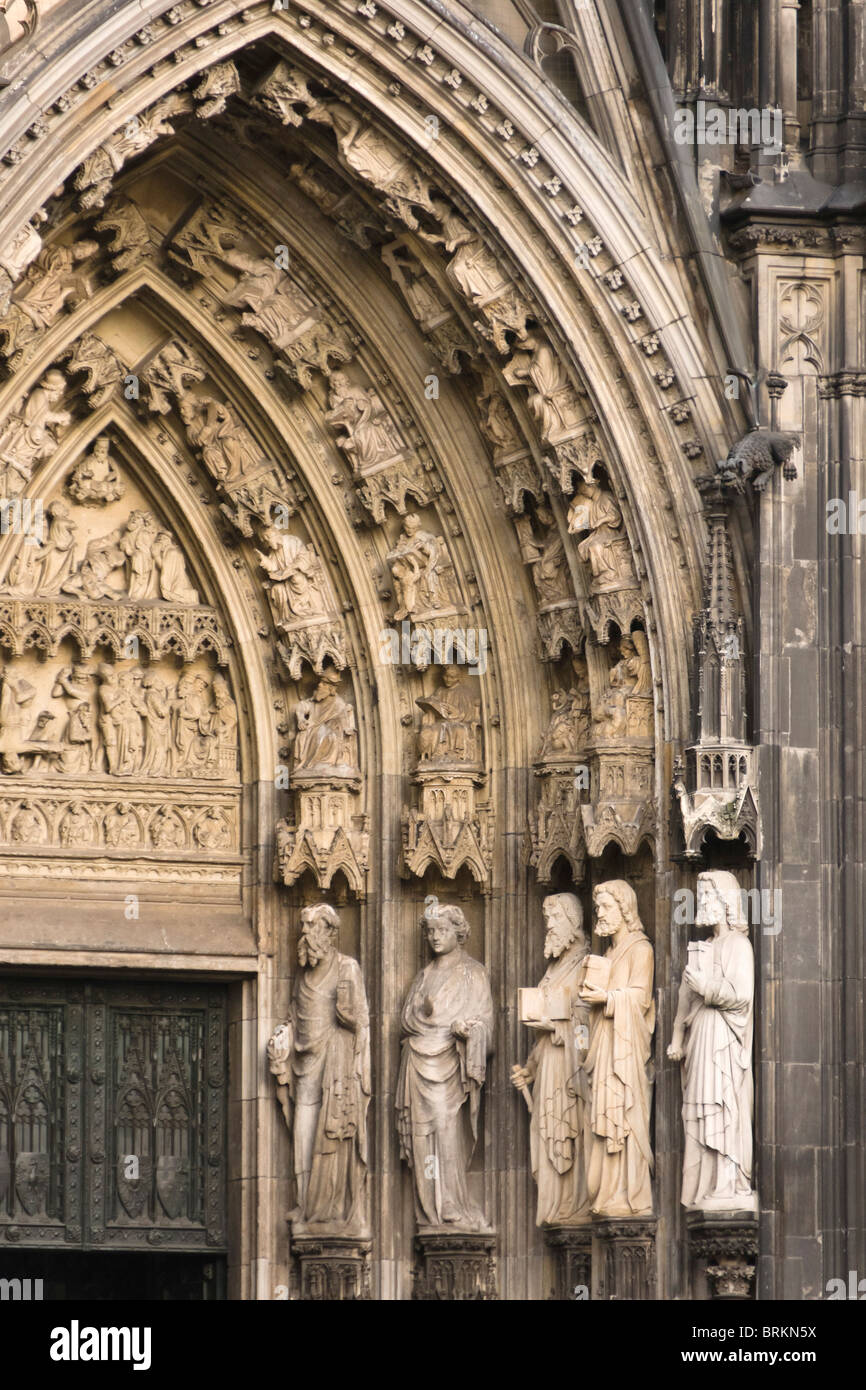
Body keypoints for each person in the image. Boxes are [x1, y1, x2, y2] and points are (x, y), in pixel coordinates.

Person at [268, 903, 370, 1231]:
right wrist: (283, 1037)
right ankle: (306, 1202)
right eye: (304, 929)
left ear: (330, 933)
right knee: (302, 1131)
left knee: (332, 1132)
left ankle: (331, 1207)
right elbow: (294, 1016)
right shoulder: (303, 977)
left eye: (314, 929)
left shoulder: (346, 968)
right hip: (306, 1066)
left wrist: (350, 1020)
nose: (306, 935)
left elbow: (363, 1020)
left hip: (336, 1067)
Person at [396, 900, 493, 1229]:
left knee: (446, 1131)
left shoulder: (473, 974)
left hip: (450, 1064)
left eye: (442, 930)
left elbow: (487, 1027)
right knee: (422, 1138)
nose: (435, 937)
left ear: (459, 932)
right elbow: (406, 1020)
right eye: (430, 931)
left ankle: (451, 1199)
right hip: (417, 1063)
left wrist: (468, 1030)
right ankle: (429, 1208)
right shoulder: (423, 976)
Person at [668, 870, 755, 1211]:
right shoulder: (702, 948)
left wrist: (706, 988)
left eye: (707, 897)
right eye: (700, 897)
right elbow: (683, 1002)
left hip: (723, 1039)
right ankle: (706, 1182)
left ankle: (727, 1180)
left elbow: (742, 996)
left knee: (723, 1106)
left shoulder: (738, 945)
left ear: (725, 902)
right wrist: (677, 1037)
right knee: (702, 1111)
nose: (702, 903)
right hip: (701, 1039)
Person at [511, 893, 591, 1225]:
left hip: (569, 1069)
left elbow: (588, 1026)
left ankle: (572, 1205)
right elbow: (545, 1030)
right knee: (546, 1136)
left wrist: (559, 1027)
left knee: (567, 1135)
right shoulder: (554, 969)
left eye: (555, 919)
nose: (549, 927)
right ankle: (555, 1206)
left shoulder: (586, 965)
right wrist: (530, 1070)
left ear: (573, 923)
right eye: (547, 921)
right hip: (549, 1067)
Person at [581, 880, 655, 1217]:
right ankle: (609, 1191)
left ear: (625, 909)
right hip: (605, 1047)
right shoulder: (608, 955)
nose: (600, 913)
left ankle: (628, 1193)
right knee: (604, 1120)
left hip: (624, 1052)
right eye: (598, 908)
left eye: (607, 907)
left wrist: (607, 998)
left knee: (623, 1117)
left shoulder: (640, 949)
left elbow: (640, 998)